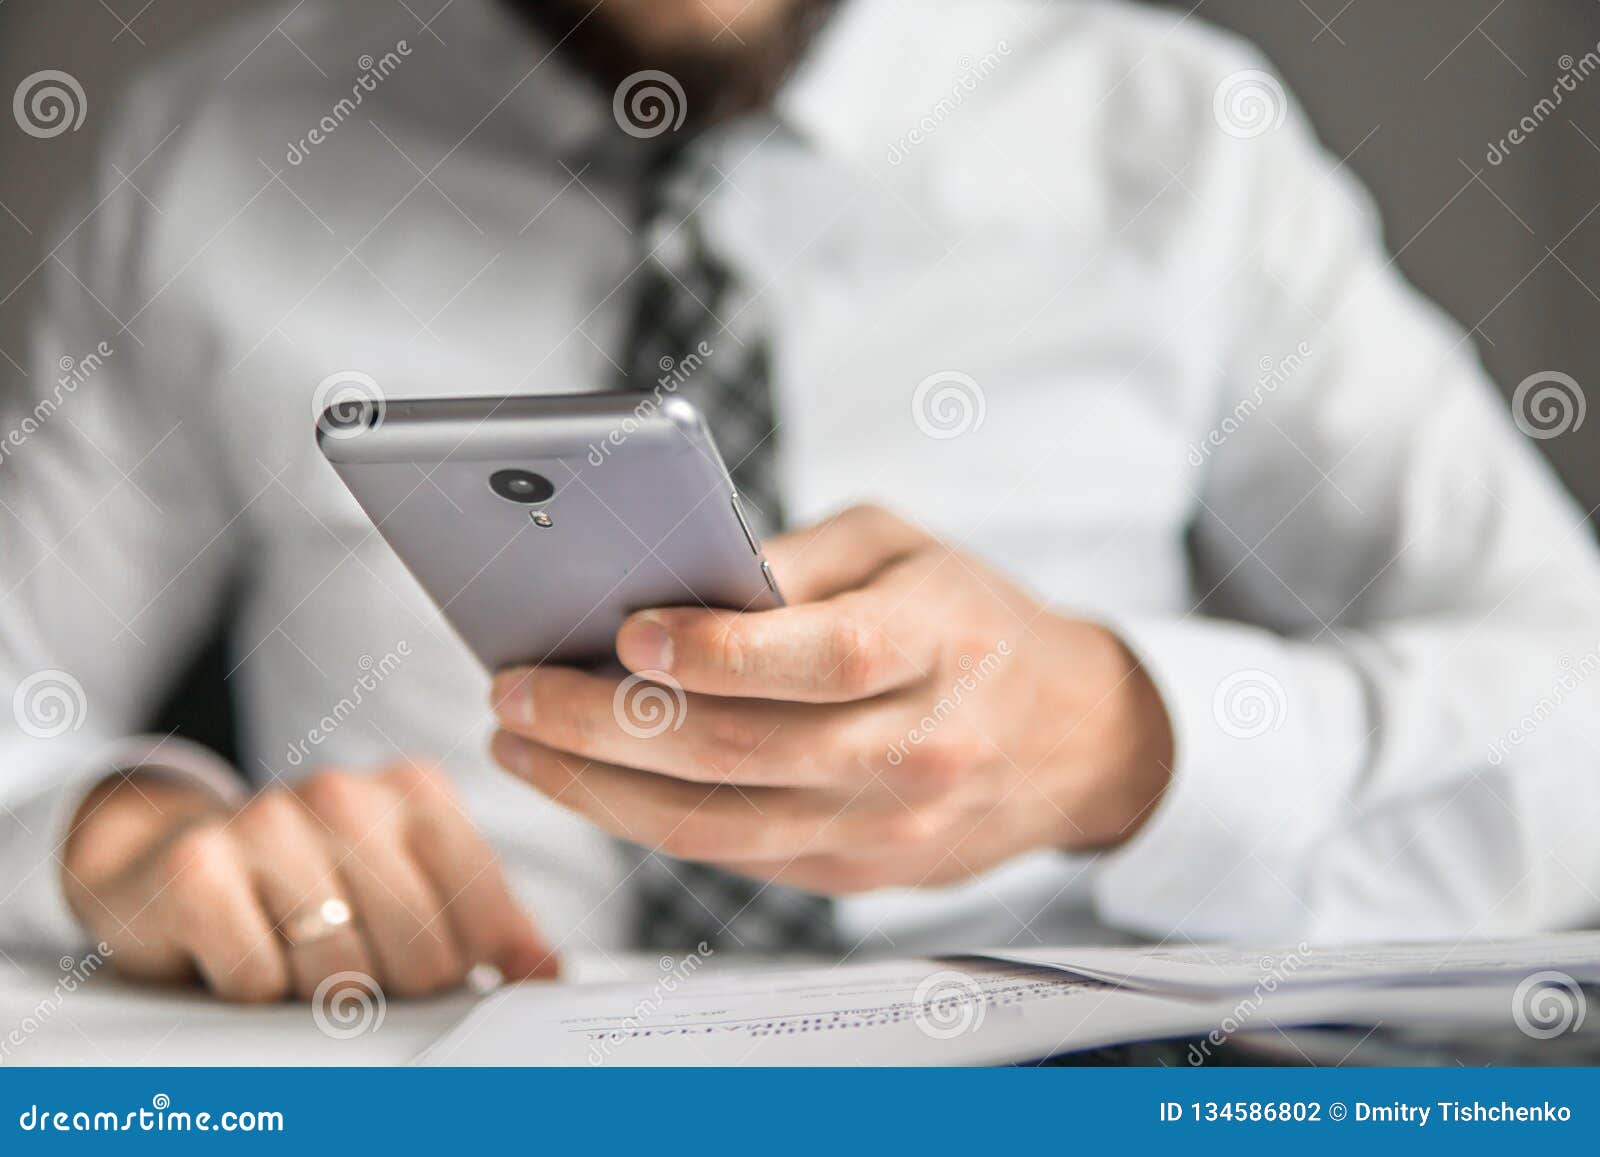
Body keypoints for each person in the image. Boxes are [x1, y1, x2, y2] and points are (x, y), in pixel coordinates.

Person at [3, 0, 1597, 1004]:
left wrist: (1130, 743)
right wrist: (123, 841)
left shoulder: (1180, 140)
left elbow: (1576, 722)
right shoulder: (223, 148)